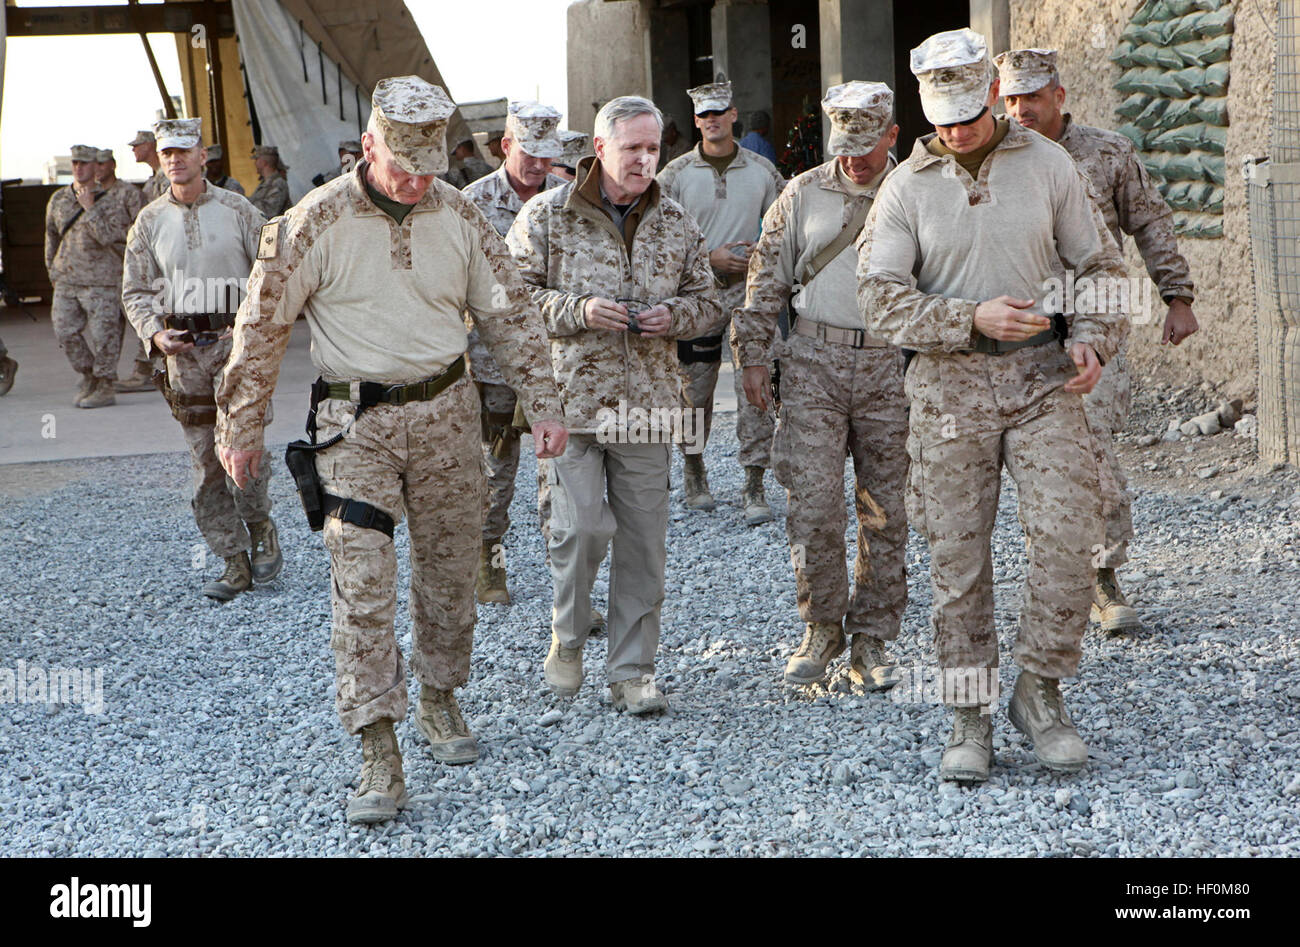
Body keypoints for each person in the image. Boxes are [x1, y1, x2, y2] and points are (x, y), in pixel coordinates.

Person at [215, 77, 567, 824]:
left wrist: (546, 403)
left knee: (447, 574)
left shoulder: (460, 215)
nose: (413, 182)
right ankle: (378, 740)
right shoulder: (314, 222)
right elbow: (262, 326)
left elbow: (511, 315)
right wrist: (239, 426)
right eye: (400, 165)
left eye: (427, 168)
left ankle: (439, 696)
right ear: (367, 145)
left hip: (447, 415)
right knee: (362, 583)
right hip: (355, 426)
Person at [856, 29, 1129, 782]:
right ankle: (968, 714)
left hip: (1043, 382)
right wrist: (965, 319)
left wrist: (1097, 338)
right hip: (947, 390)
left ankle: (1040, 691)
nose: (953, 132)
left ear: (990, 98)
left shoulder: (1049, 165)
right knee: (958, 559)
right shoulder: (905, 187)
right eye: (940, 119)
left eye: (967, 116)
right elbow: (879, 299)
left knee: (1072, 540)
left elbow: (1101, 264)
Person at [507, 95, 722, 714]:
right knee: (579, 529)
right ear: (599, 149)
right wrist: (578, 311)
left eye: (653, 148)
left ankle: (632, 672)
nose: (644, 160)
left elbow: (709, 302)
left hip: (649, 409)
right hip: (571, 405)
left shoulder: (675, 221)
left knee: (644, 546)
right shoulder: (549, 216)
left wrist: (672, 317)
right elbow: (509, 299)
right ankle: (569, 634)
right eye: (632, 148)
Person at [996, 47, 1200, 635]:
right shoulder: (998, 155)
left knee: (1093, 450)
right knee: (1032, 458)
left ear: (1059, 96)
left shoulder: (1107, 151)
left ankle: (1103, 578)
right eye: (1011, 98)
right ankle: (1054, 575)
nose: (1020, 109)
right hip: (1021, 330)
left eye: (1031, 96)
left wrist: (1177, 296)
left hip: (1094, 323)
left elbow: (1150, 221)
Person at [735, 81, 907, 688]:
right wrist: (753, 357)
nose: (855, 158)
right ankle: (822, 625)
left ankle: (873, 639)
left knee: (886, 509)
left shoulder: (916, 188)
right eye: (845, 145)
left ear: (892, 133)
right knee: (812, 506)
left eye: (868, 144)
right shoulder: (802, 193)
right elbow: (765, 280)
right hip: (813, 361)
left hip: (895, 366)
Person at [121, 117, 283, 602]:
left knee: (243, 448)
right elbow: (134, 290)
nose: (174, 159)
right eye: (166, 152)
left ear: (202, 156)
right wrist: (154, 334)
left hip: (235, 350)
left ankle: (260, 528)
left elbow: (274, 272)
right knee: (206, 463)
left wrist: (252, 329)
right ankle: (233, 561)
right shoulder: (149, 221)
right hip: (184, 357)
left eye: (183, 151)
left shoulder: (239, 210)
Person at [657, 81, 784, 523]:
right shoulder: (672, 176)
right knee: (694, 389)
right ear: (696, 121)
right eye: (704, 115)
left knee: (756, 384)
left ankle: (754, 481)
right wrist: (708, 258)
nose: (712, 120)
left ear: (734, 115)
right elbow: (656, 240)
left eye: (720, 112)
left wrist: (761, 254)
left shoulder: (763, 171)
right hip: (698, 295)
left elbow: (782, 228)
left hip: (751, 294)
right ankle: (694, 470)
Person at [462, 101, 567, 605]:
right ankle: (490, 561)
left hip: (558, 361)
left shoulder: (569, 201)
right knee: (495, 468)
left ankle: (566, 580)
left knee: (562, 471)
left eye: (549, 155)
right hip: (492, 360)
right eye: (531, 154)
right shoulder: (470, 204)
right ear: (506, 146)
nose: (540, 166)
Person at [43, 144, 135, 408]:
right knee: (64, 331)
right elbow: (51, 236)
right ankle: (88, 375)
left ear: (97, 166)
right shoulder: (59, 199)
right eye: (75, 163)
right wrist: (51, 268)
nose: (79, 168)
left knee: (105, 335)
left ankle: (105, 385)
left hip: (103, 280)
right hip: (67, 278)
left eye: (84, 163)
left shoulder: (111, 199)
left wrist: (90, 207)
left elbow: (110, 236)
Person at [93, 148, 153, 394]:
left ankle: (146, 372)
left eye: (101, 163)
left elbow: (141, 231)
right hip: (101, 274)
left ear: (112, 165)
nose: (97, 169)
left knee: (142, 321)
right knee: (106, 328)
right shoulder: (87, 196)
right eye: (93, 164)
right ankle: (104, 377)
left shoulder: (129, 194)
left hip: (129, 270)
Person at [249, 145, 291, 218]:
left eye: (257, 160)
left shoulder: (278, 183)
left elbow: (269, 211)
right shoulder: (265, 183)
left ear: (263, 163)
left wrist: (245, 203)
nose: (255, 163)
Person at [130, 129, 169, 201]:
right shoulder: (154, 178)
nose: (133, 150)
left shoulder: (168, 174)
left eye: (136, 145)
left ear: (147, 146)